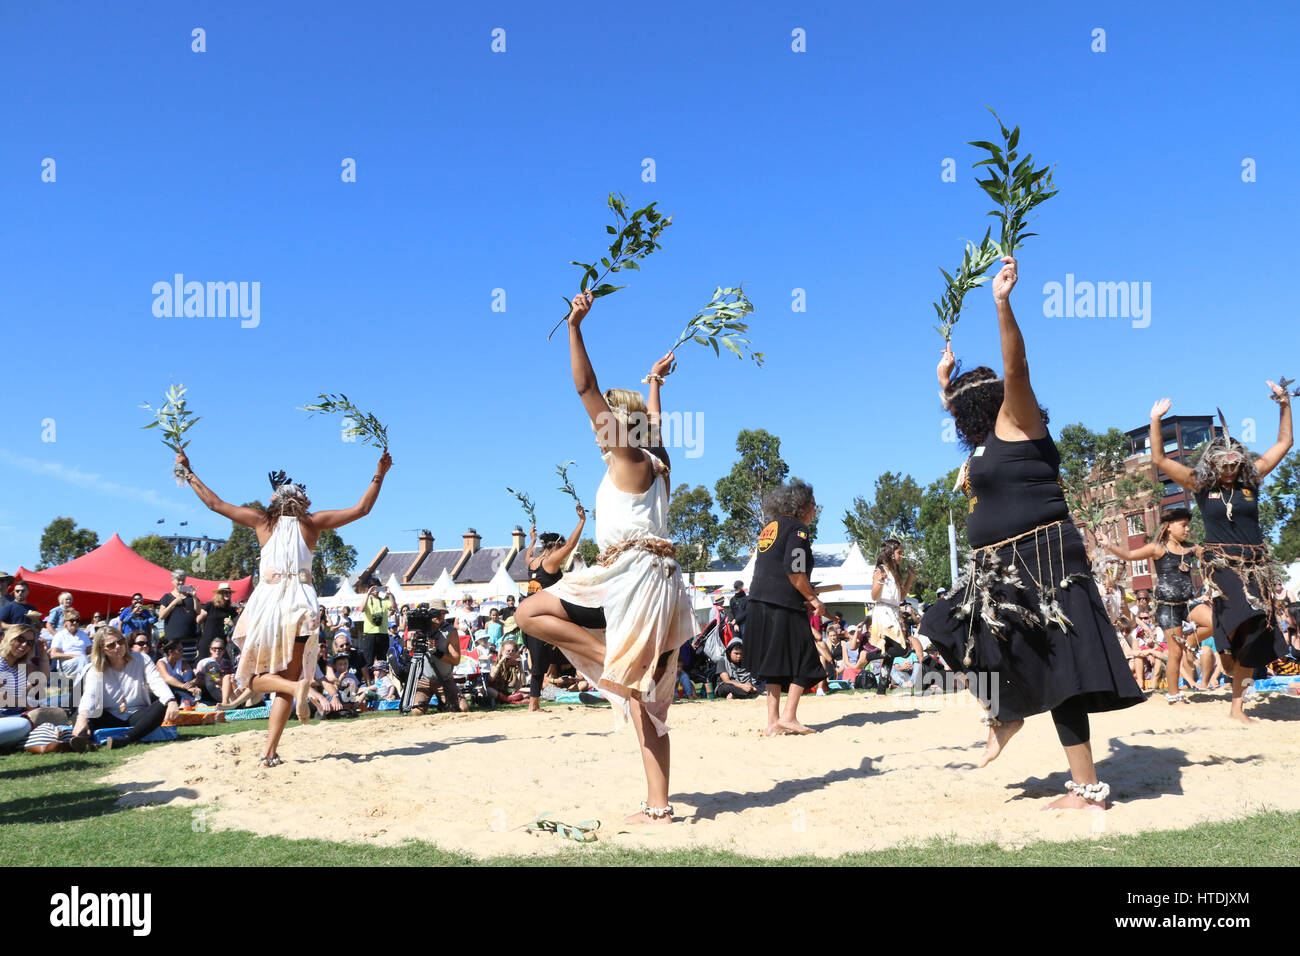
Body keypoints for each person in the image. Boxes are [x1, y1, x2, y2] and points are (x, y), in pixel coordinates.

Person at [922, 255, 1143, 810]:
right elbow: (961, 407)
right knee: (941, 624)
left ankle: (1087, 788)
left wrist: (1002, 304)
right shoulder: (983, 445)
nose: (955, 416)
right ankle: (1004, 712)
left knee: (1062, 665)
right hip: (998, 566)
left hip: (1044, 556)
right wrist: (945, 383)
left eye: (960, 407)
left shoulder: (1017, 420)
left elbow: (1016, 367)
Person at [514, 293, 695, 824]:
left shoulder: (627, 455)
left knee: (529, 612)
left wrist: (575, 326)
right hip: (649, 578)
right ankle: (658, 806)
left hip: (633, 577)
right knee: (646, 701)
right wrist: (655, 382)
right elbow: (653, 424)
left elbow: (584, 387)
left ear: (616, 426)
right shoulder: (655, 459)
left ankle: (615, 666)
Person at [177, 445, 392, 766]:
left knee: (251, 680)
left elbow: (214, 503)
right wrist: (379, 473)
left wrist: (187, 472)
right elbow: (362, 509)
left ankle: (292, 697)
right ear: (301, 503)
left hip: (272, 603)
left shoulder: (262, 522)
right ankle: (272, 746)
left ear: (275, 502)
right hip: (303, 604)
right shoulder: (313, 523)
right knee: (284, 686)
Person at [1149, 387, 1292, 723]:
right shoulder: (1202, 486)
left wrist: (1285, 405)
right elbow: (1160, 460)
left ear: (1240, 460)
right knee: (1241, 619)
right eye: (1223, 463)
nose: (1229, 468)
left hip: (1255, 567)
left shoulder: (1251, 480)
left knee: (1254, 631)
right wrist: (1155, 420)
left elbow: (1285, 442)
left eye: (1233, 463)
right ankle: (1223, 645)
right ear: (1212, 463)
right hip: (1222, 567)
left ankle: (1236, 707)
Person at [742, 479, 827, 736]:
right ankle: (789, 717)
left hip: (758, 601)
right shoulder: (798, 529)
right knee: (805, 657)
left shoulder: (771, 527)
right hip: (783, 604)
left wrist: (806, 592)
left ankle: (773, 722)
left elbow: (776, 567)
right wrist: (814, 599)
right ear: (801, 505)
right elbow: (795, 569)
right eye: (813, 505)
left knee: (774, 662)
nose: (815, 511)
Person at [1096, 508, 1206, 703]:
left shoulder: (1192, 548)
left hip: (1188, 603)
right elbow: (1129, 555)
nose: (1188, 529)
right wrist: (1109, 544)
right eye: (1183, 525)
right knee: (1175, 653)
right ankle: (1174, 695)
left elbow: (1212, 558)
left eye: (1188, 525)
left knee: (1212, 621)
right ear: (1169, 526)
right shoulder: (1158, 548)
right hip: (1167, 608)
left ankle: (1188, 642)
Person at [520, 504, 587, 713]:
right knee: (541, 662)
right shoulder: (550, 562)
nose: (562, 550)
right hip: (541, 617)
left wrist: (532, 540)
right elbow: (571, 546)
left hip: (526, 615)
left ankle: (537, 701)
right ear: (556, 545)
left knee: (539, 661)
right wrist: (582, 521)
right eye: (561, 547)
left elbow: (527, 556)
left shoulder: (533, 562)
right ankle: (534, 704)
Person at [71, 627, 178, 752]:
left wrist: (171, 701)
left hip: (137, 715)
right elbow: (90, 695)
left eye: (121, 641)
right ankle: (82, 740)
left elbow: (156, 681)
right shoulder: (95, 668)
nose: (118, 646)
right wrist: (82, 718)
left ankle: (127, 739)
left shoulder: (142, 659)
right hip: (109, 715)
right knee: (80, 712)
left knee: (166, 701)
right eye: (111, 645)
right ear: (102, 649)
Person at [0, 623, 67, 754]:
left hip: (20, 712)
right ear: (10, 638)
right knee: (24, 724)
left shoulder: (19, 665)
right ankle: (47, 737)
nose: (24, 645)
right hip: (6, 715)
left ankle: (49, 735)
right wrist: (26, 704)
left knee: (67, 698)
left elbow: (43, 678)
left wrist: (43, 653)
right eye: (21, 639)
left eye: (30, 643)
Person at [870, 538, 920, 696]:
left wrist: (910, 578)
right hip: (883, 612)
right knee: (901, 648)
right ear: (891, 553)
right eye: (899, 553)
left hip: (892, 612)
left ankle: (881, 691)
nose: (901, 556)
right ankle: (869, 655)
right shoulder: (881, 570)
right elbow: (874, 595)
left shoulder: (895, 572)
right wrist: (880, 582)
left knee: (890, 653)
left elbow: (901, 598)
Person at [407, 600, 468, 714]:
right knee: (416, 711)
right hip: (423, 680)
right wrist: (411, 642)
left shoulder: (450, 631)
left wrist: (436, 652)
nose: (440, 616)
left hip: (444, 679)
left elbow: (456, 660)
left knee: (462, 708)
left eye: (443, 613)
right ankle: (441, 703)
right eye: (437, 612)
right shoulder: (419, 628)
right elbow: (409, 649)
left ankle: (444, 702)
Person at [157, 569, 203, 665]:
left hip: (190, 639)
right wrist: (174, 602)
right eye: (178, 580)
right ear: (173, 581)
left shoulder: (190, 596)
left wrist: (194, 596)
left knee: (189, 666)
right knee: (172, 666)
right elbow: (161, 615)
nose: (181, 582)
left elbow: (198, 611)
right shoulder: (167, 597)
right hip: (172, 640)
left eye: (183, 580)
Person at [360, 584, 395, 682]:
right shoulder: (367, 600)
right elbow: (361, 609)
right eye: (373, 588)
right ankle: (368, 683)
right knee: (368, 661)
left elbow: (393, 607)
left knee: (382, 662)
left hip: (383, 633)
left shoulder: (384, 600)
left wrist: (389, 594)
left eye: (377, 588)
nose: (375, 590)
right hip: (370, 634)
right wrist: (368, 594)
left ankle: (382, 684)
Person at [198, 583, 240, 663]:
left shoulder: (231, 609)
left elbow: (238, 625)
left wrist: (232, 624)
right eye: (225, 592)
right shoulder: (210, 605)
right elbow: (198, 620)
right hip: (208, 641)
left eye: (229, 592)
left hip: (221, 643)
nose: (228, 594)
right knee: (203, 665)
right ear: (219, 594)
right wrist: (202, 615)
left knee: (222, 666)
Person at [155, 639, 202, 705]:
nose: (182, 652)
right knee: (176, 677)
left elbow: (194, 678)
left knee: (189, 672)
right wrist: (185, 687)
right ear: (170, 652)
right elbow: (167, 679)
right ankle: (193, 701)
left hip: (179, 692)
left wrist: (192, 683)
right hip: (166, 692)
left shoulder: (183, 663)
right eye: (180, 650)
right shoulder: (161, 663)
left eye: (182, 650)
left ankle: (186, 701)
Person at [48, 609, 91, 680]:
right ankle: (81, 684)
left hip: (84, 661)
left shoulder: (83, 635)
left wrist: (90, 657)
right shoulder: (60, 635)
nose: (75, 622)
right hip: (66, 664)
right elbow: (53, 654)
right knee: (83, 660)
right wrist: (74, 656)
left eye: (77, 620)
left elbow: (90, 652)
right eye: (72, 620)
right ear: (65, 622)